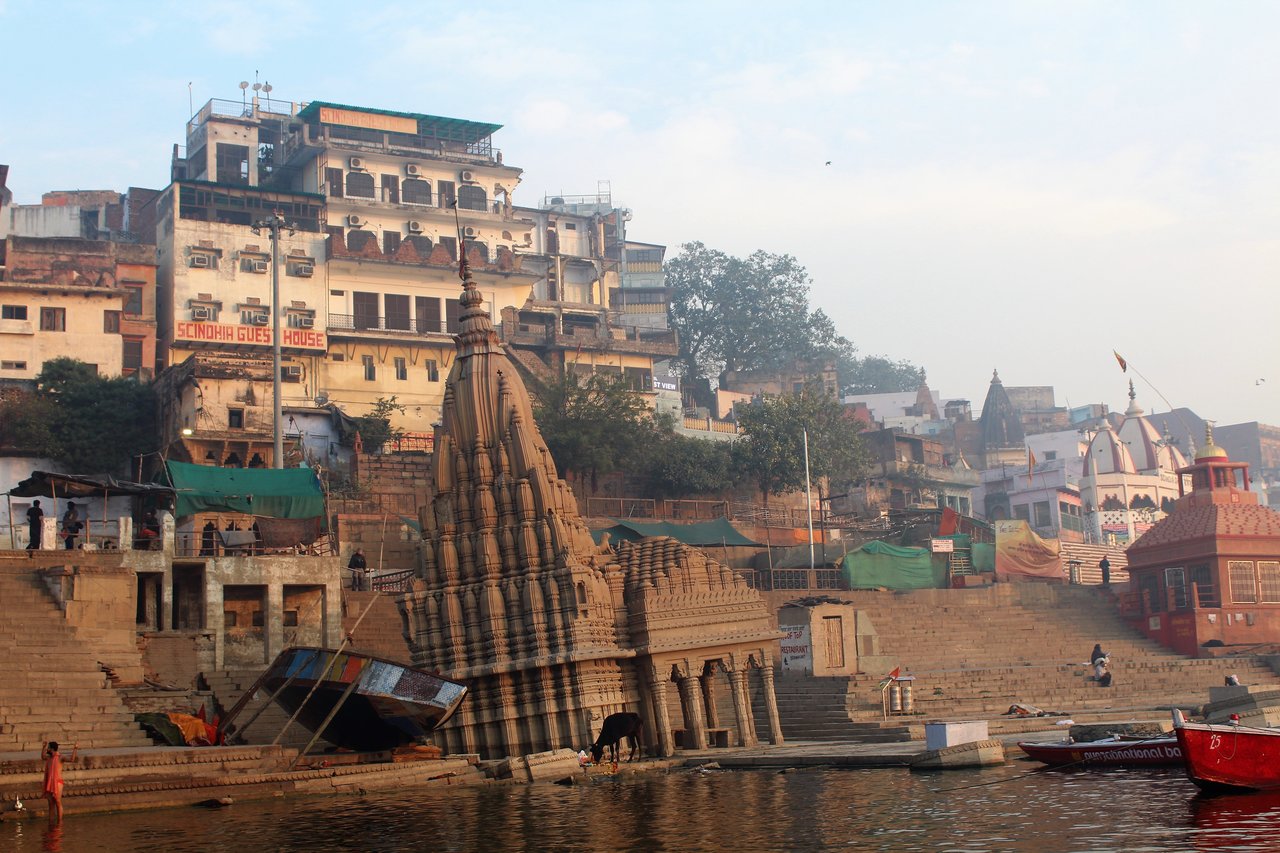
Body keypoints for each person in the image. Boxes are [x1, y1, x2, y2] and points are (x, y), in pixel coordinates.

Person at [42, 740, 77, 823]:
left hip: (58, 782)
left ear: (52, 749)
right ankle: (51, 822)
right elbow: (42, 757)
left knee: (58, 802)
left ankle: (59, 822)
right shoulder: (49, 758)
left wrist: (75, 749)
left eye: (48, 748)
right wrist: (43, 747)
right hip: (50, 782)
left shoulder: (60, 757)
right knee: (51, 804)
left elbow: (72, 759)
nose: (47, 749)